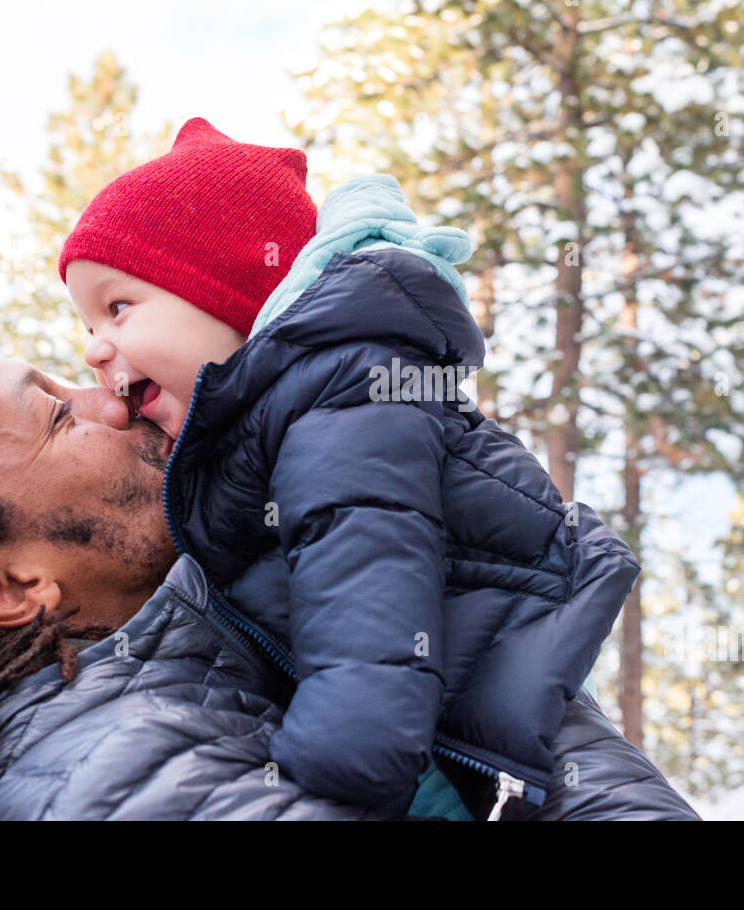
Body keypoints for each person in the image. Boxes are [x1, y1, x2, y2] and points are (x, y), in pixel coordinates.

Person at [0, 352, 701, 820]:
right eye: (56, 415)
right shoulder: (121, 789)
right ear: (13, 584)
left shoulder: (188, 662)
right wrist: (481, 653)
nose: (113, 394)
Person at [57, 117, 643, 817]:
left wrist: (330, 767)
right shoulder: (292, 409)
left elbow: (370, 591)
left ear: (234, 293)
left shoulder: (340, 394)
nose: (94, 349)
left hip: (452, 751)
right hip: (459, 731)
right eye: (87, 326)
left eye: (118, 308)